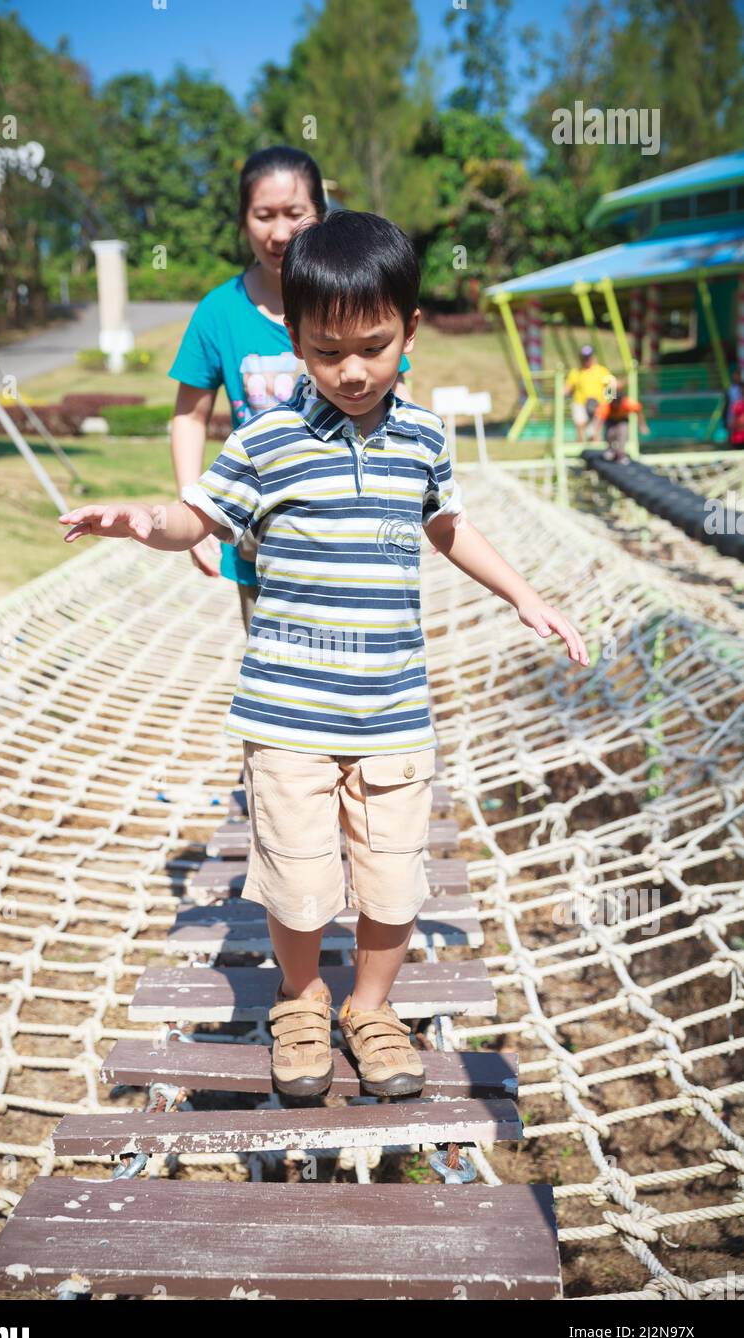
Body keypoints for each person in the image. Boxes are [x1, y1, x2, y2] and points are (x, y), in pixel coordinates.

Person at [59, 211, 589, 1101]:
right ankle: (302, 999)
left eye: (373, 347)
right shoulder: (264, 443)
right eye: (325, 349)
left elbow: (449, 526)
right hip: (288, 713)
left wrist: (524, 594)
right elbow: (203, 516)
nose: (351, 370)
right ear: (295, 344)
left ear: (410, 332)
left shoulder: (422, 438)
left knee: (392, 875)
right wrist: (149, 522)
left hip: (392, 710)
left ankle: (370, 1007)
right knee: (298, 877)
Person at [168, 145, 414, 636]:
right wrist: (190, 506)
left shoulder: (357, 298)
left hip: (355, 531)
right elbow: (190, 416)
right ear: (243, 221)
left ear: (320, 215)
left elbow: (397, 395)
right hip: (263, 538)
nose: (279, 233)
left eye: (294, 214)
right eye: (264, 215)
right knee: (280, 686)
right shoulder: (218, 313)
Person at [565, 345, 616, 443]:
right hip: (580, 403)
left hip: (598, 404)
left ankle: (595, 449)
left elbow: (610, 386)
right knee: (580, 424)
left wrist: (608, 402)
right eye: (584, 357)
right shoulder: (576, 372)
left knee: (595, 431)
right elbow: (567, 388)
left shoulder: (602, 371)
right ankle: (580, 446)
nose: (586, 360)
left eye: (588, 357)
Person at [598, 378, 648, 461]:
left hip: (622, 420)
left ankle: (621, 455)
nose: (616, 406)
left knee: (622, 434)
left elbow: (639, 412)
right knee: (609, 434)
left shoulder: (628, 403)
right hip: (610, 420)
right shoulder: (607, 405)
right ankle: (610, 450)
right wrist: (597, 432)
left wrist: (642, 426)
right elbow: (599, 418)